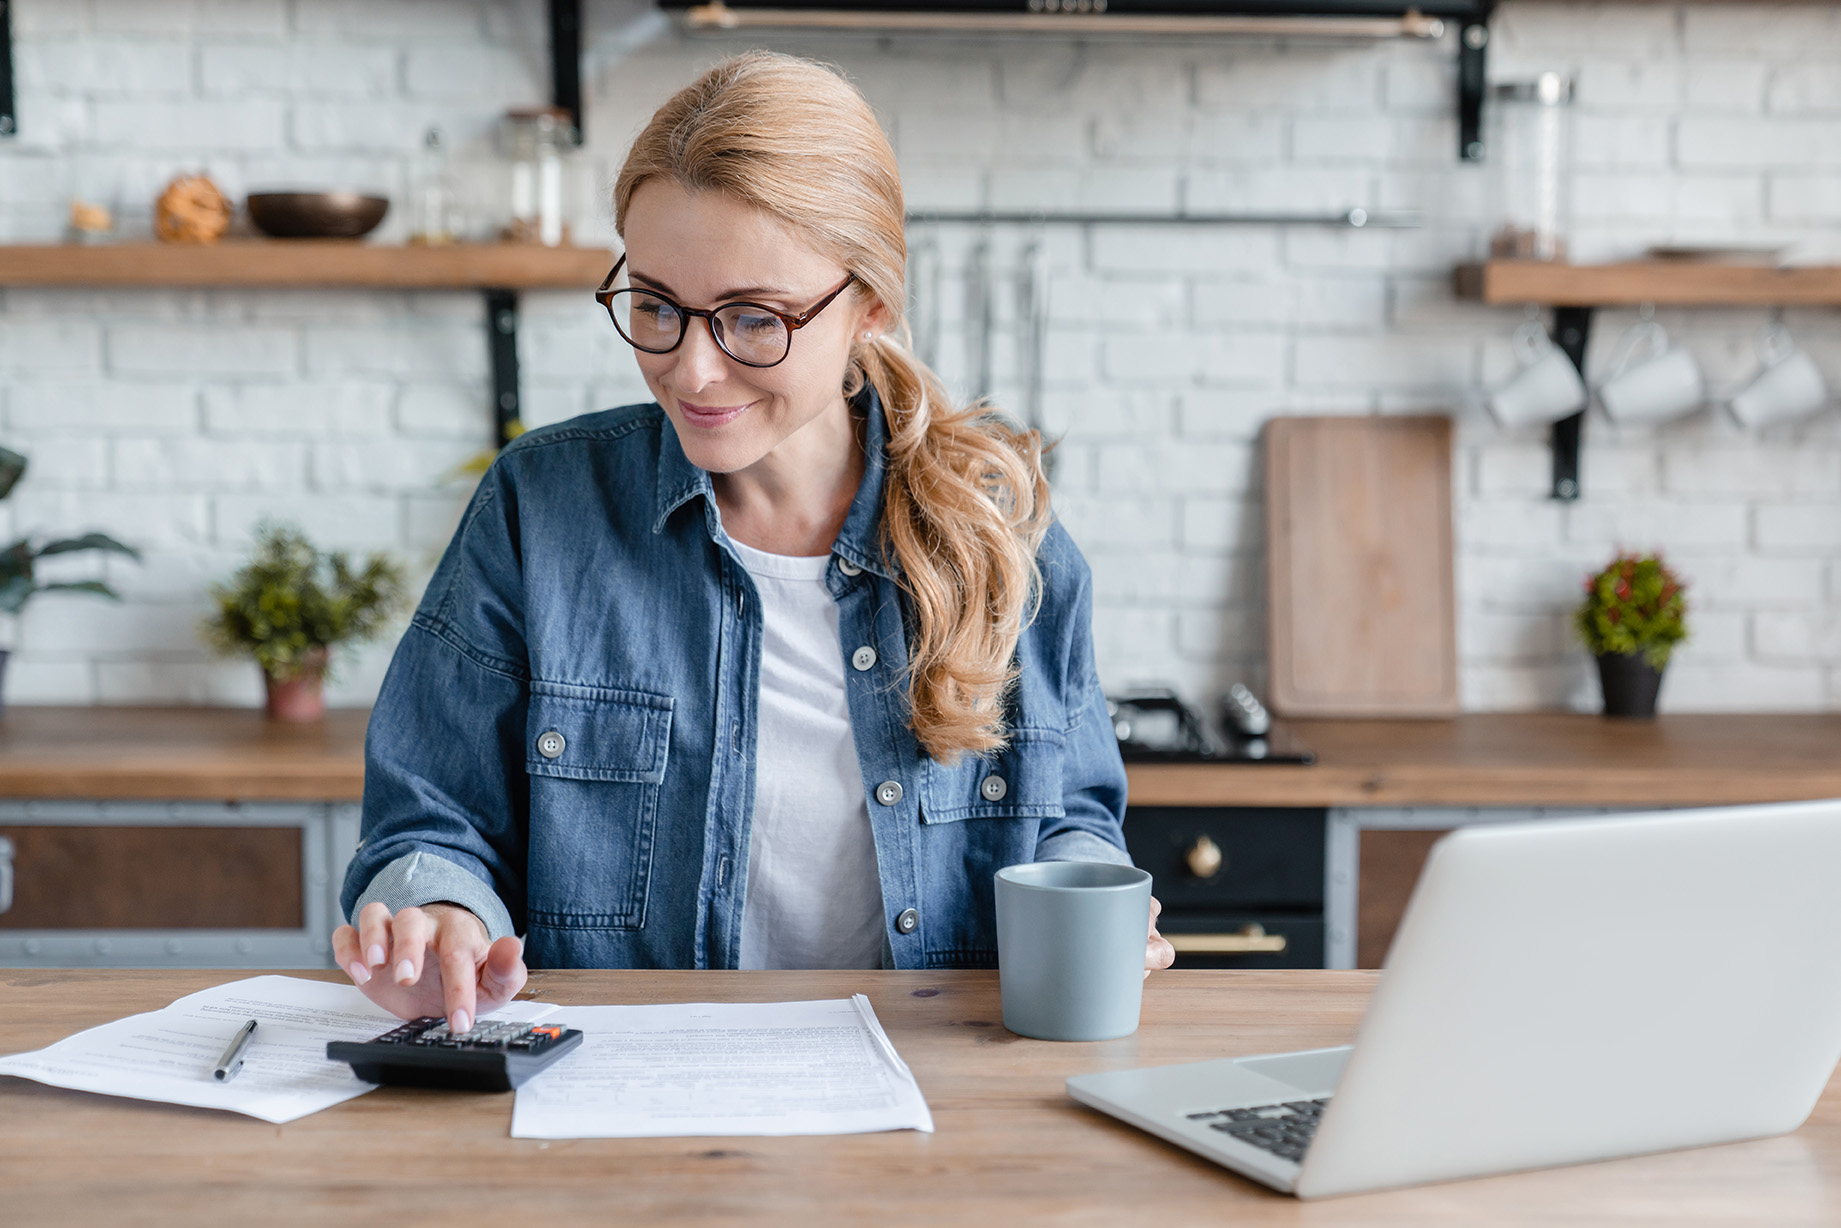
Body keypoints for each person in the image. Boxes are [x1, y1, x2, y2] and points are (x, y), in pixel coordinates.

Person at [332, 51, 1175, 1033]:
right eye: (652, 305)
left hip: (932, 1102)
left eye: (751, 319)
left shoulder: (999, 526)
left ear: (870, 304)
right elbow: (432, 814)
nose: (691, 368)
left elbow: (1069, 812)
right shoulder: (540, 506)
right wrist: (437, 913)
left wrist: (1095, 893)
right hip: (619, 1095)